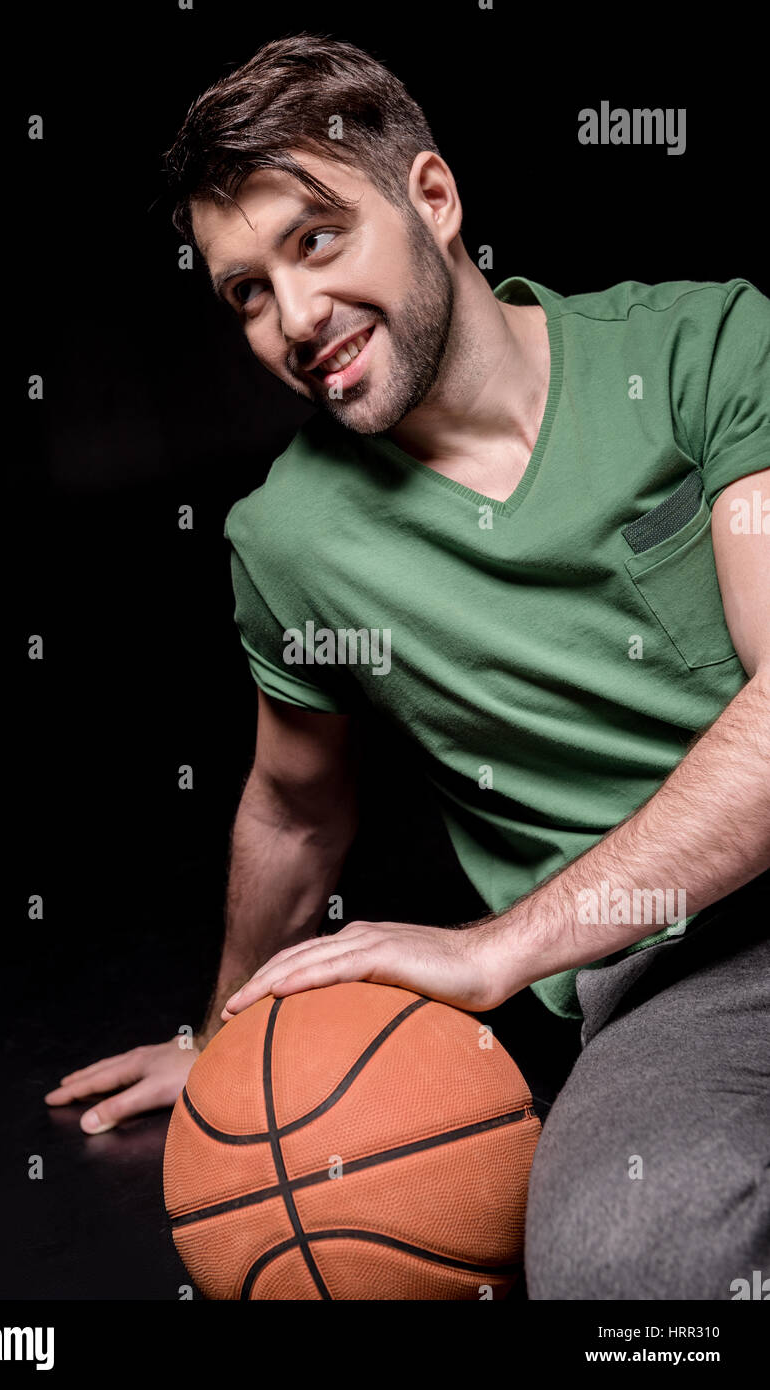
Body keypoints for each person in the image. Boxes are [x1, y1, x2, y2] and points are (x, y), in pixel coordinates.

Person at [45, 33, 770, 1299]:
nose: (294, 320)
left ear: (432, 198)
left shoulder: (704, 347)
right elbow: (294, 807)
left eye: (317, 239)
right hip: (681, 973)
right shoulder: (291, 542)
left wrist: (497, 949)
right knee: (629, 1260)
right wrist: (225, 1035)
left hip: (570, 924)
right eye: (247, 291)